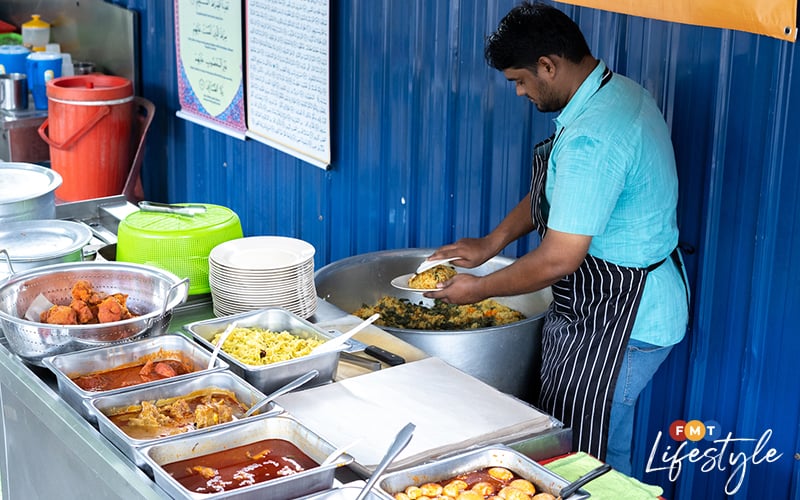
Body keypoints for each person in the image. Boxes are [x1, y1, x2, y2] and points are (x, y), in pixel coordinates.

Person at [424, 1, 689, 474]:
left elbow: (558, 259)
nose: (520, 92)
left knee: (594, 460)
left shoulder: (595, 136)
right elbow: (560, 197)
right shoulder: (616, 93)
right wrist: (491, 243)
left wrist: (478, 287)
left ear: (549, 65)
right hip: (612, 307)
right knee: (576, 442)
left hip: (624, 323)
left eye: (520, 80)